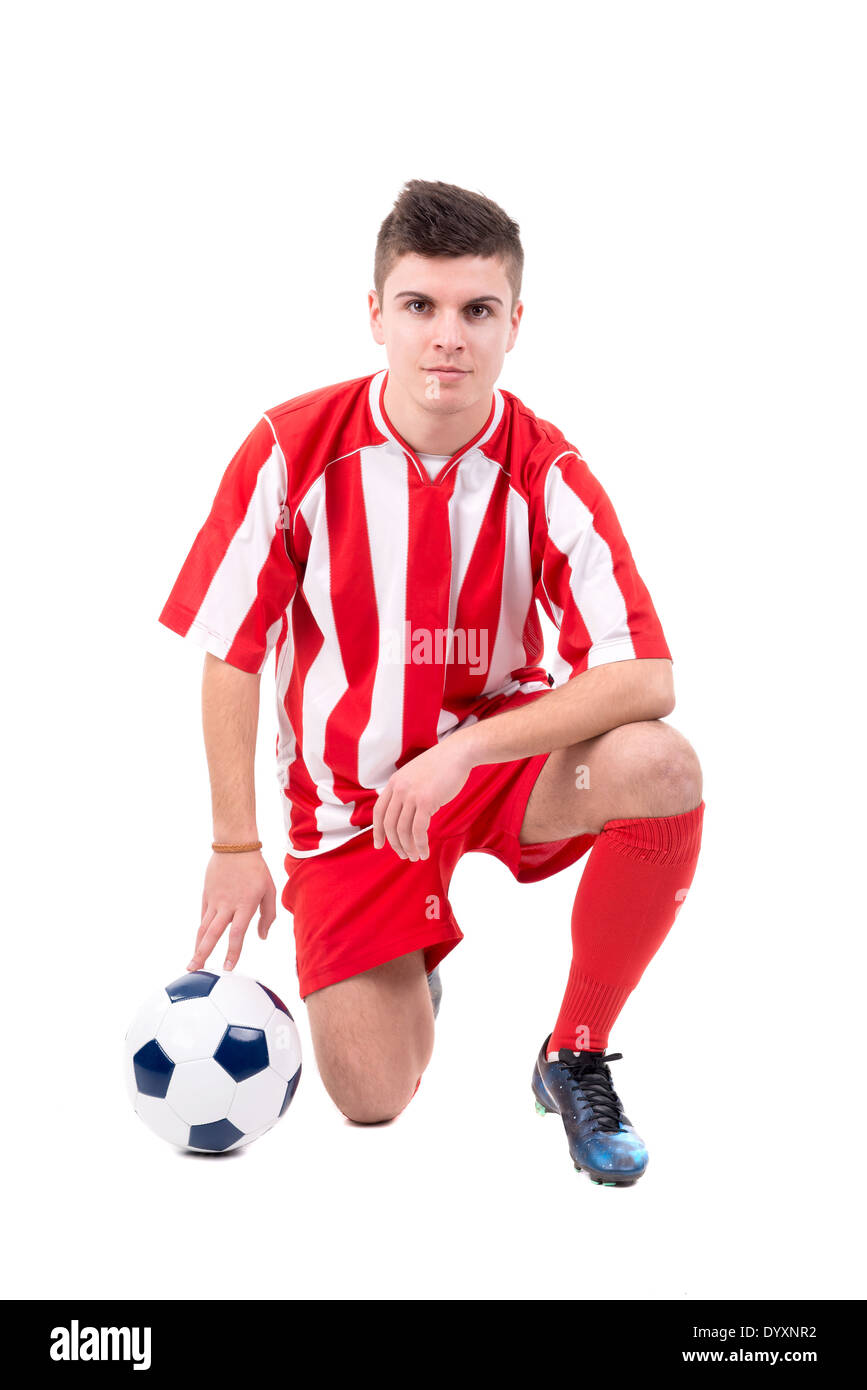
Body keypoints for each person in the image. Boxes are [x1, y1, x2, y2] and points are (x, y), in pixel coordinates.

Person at [158, 178, 704, 1186]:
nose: (447, 335)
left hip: (500, 768)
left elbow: (646, 674)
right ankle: (399, 960)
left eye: (476, 310)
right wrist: (236, 844)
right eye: (420, 306)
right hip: (352, 805)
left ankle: (574, 1052)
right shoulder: (290, 450)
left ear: (513, 325)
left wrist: (463, 749)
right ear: (376, 315)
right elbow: (231, 647)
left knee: (663, 768)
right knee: (370, 1097)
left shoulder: (547, 468)